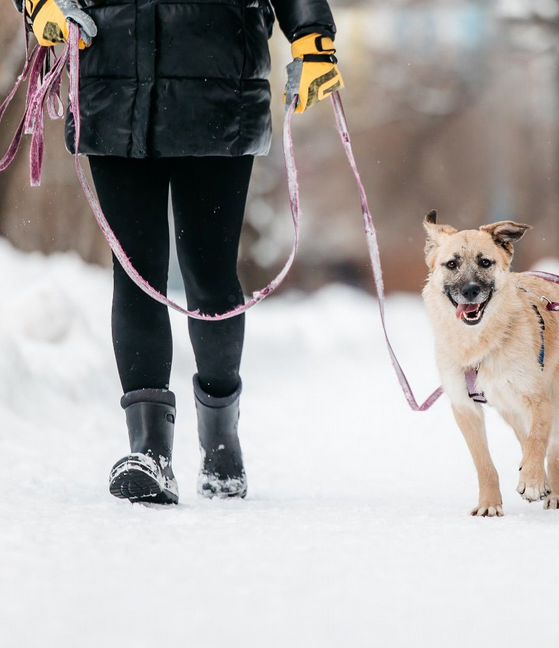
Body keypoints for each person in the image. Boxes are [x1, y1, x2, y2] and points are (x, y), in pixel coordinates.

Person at [9, 0, 344, 504]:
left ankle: (221, 437)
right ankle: (150, 454)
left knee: (209, 274)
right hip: (114, 80)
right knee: (135, 271)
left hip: (218, 83)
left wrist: (313, 36)